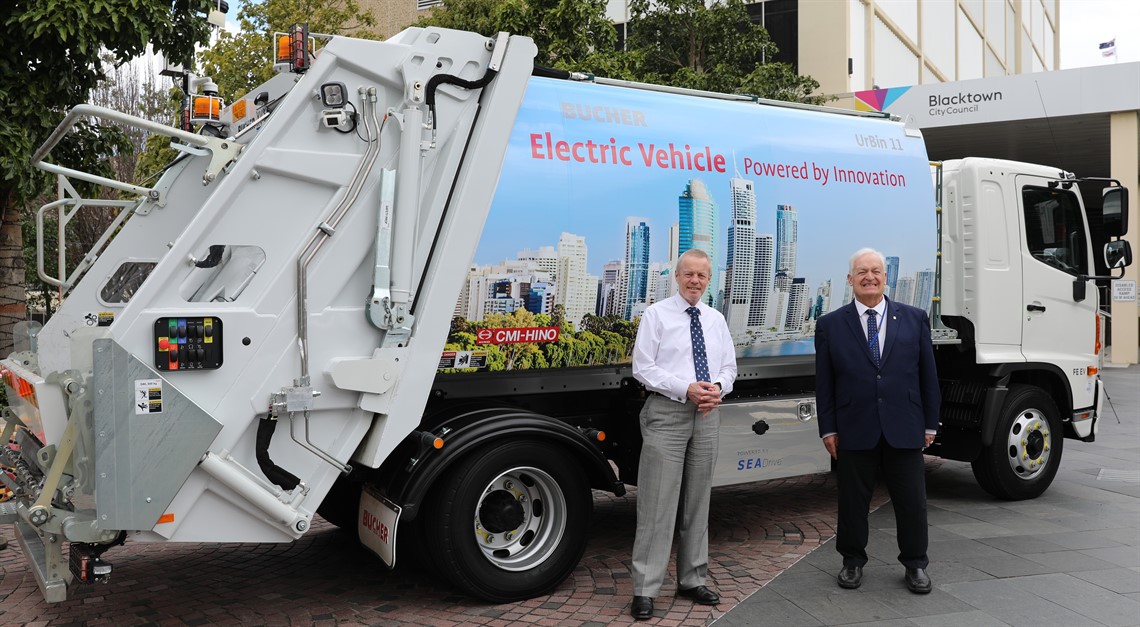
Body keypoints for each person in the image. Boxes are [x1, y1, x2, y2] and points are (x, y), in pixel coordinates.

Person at [814, 247, 940, 594]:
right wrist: (828, 427)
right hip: (855, 426)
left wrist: (930, 424)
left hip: (904, 423)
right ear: (850, 279)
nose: (869, 277)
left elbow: (928, 375)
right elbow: (824, 383)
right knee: (853, 501)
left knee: (912, 501)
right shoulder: (830, 324)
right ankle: (852, 562)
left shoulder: (914, 318)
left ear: (886, 278)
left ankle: (916, 564)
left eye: (876, 271)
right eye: (862, 271)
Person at [628, 248, 737, 620]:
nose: (695, 281)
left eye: (701, 276)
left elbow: (729, 366)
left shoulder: (716, 319)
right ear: (677, 276)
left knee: (698, 502)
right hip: (667, 413)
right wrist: (685, 387)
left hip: (706, 416)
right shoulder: (656, 315)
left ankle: (692, 579)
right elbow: (643, 367)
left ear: (709, 280)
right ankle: (645, 589)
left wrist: (717, 387)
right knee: (657, 505)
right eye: (688, 274)